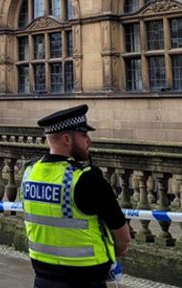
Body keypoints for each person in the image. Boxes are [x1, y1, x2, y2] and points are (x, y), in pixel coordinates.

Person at [22, 104, 131, 288]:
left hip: (42, 278)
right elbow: (123, 237)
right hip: (86, 280)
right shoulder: (87, 179)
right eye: (83, 135)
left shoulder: (29, 174)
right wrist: (116, 252)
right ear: (66, 139)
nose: (89, 141)